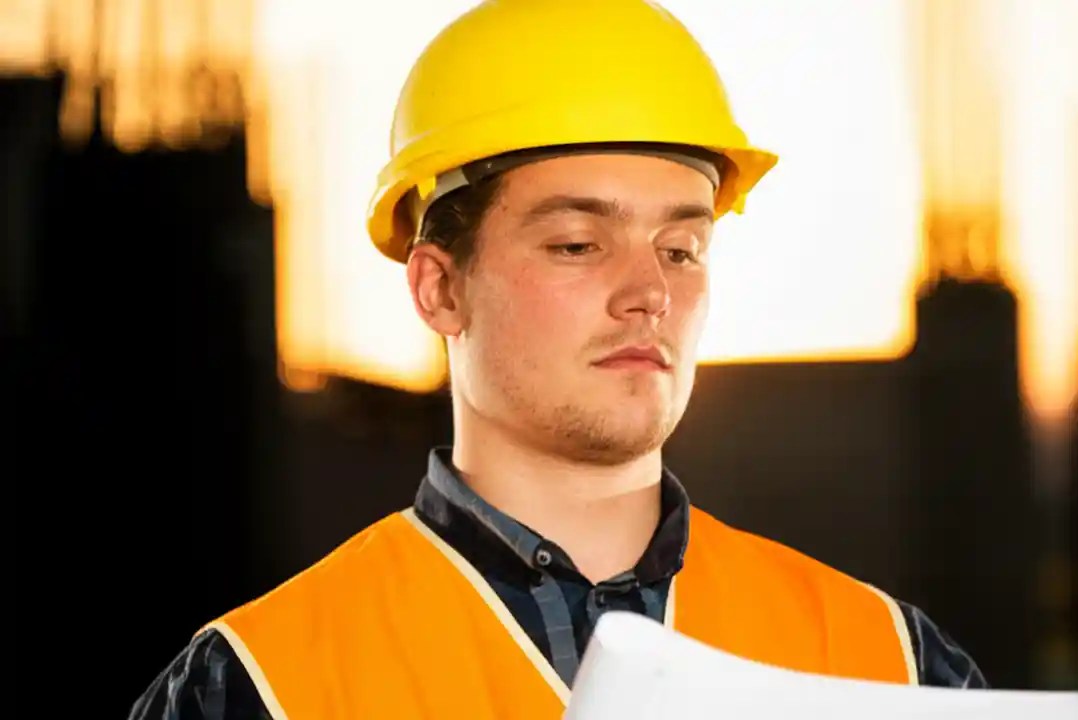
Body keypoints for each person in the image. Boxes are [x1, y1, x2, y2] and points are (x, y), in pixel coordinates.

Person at [130, 1, 985, 717]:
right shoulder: (262, 685)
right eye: (579, 244)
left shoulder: (887, 666)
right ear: (438, 290)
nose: (649, 290)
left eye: (682, 249)